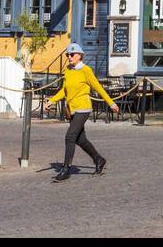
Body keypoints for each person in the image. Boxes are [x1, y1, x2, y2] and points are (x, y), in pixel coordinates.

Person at [47, 44, 117, 182]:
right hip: (72, 108)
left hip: (83, 108)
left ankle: (66, 169)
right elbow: (65, 90)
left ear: (80, 55)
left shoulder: (86, 70)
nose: (69, 57)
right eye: (67, 55)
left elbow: (98, 87)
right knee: (80, 139)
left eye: (72, 55)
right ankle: (99, 159)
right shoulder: (68, 70)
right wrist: (52, 100)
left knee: (70, 136)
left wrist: (111, 103)